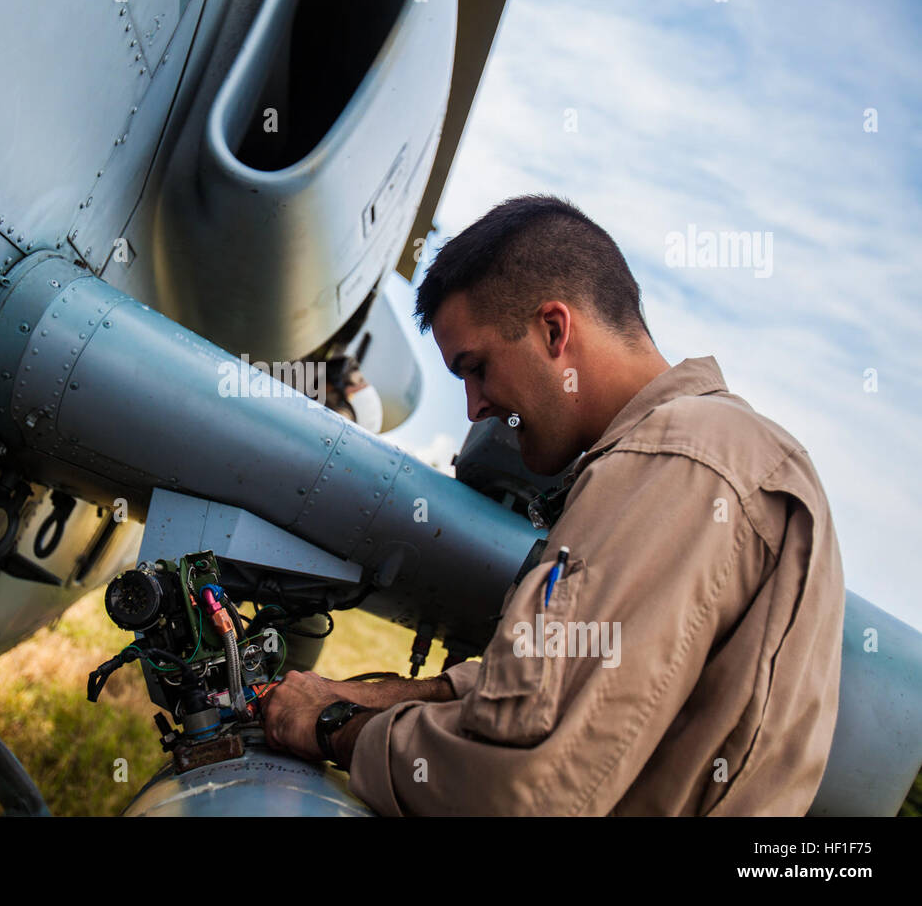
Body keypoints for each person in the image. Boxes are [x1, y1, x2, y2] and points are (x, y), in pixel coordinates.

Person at [261, 194, 845, 815]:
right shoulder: (706, 454)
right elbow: (543, 693)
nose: (474, 407)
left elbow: (525, 787)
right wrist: (394, 693)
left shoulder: (682, 459)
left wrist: (330, 727)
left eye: (477, 368)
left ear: (553, 330)